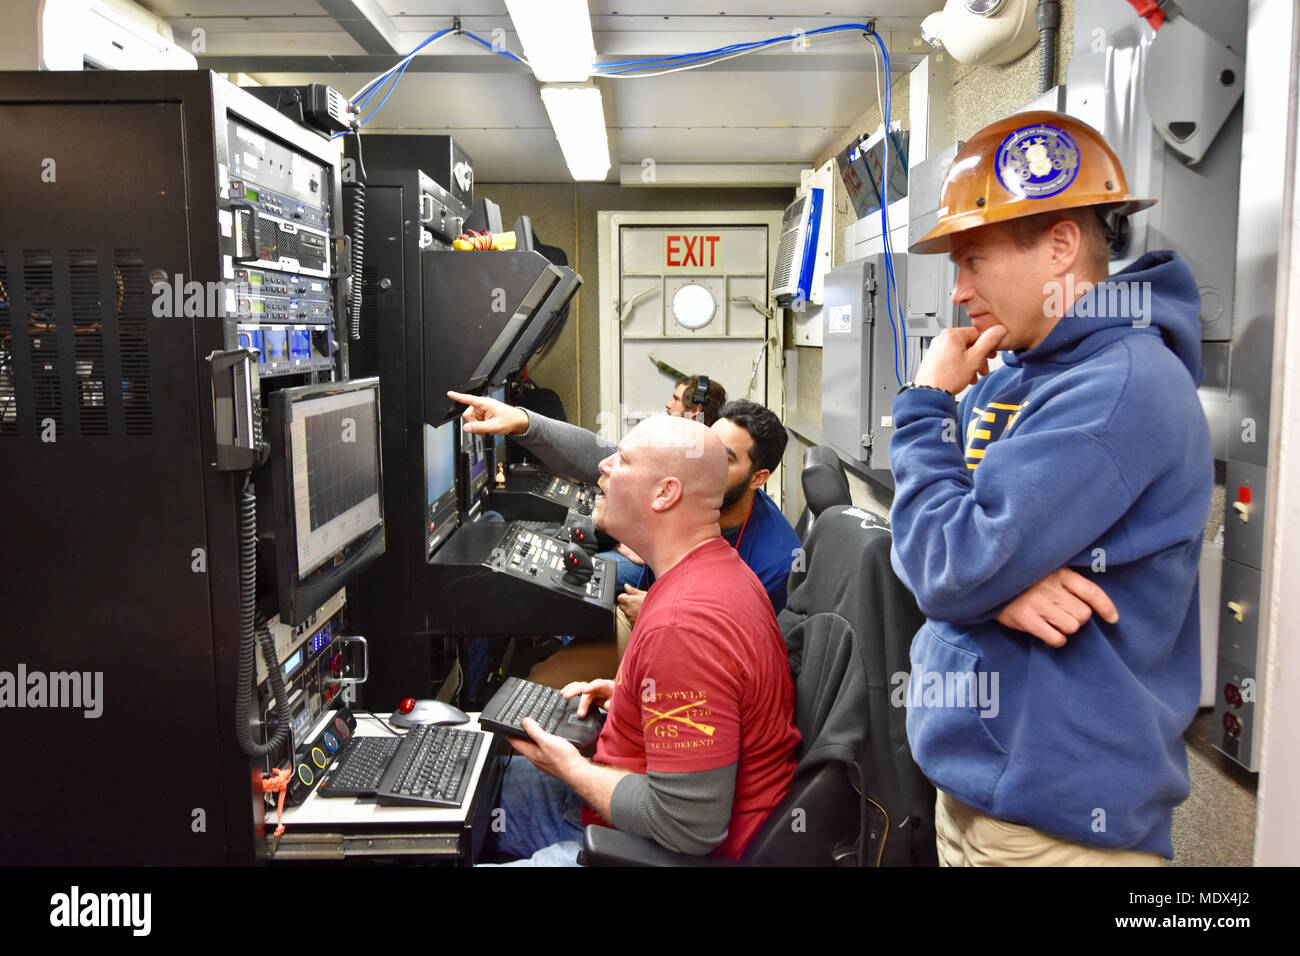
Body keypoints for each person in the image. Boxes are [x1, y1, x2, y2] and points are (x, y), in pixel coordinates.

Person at [889, 110, 1212, 865]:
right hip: (975, 797)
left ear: (1062, 244)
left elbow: (943, 564)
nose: (960, 290)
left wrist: (925, 404)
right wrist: (996, 585)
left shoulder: (1118, 388)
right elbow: (920, 545)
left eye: (973, 260)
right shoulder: (1020, 378)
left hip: (1060, 829)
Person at [480, 415, 800, 864]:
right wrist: (634, 697)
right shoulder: (719, 568)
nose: (603, 467)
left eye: (623, 460)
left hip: (640, 846)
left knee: (436, 828)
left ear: (665, 493)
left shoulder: (684, 627)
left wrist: (572, 769)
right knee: (473, 778)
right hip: (633, 794)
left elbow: (688, 826)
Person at [449, 390, 801, 621]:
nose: (705, 461)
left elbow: (737, 661)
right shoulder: (694, 490)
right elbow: (598, 455)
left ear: (758, 478)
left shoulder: (775, 564)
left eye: (724, 459)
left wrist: (667, 615)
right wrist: (522, 421)